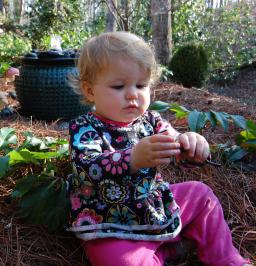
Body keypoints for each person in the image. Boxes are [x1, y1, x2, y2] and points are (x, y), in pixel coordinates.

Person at [67, 31, 251, 266]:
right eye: (118, 86)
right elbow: (86, 166)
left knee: (202, 195)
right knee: (120, 261)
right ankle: (165, 252)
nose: (133, 94)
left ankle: (226, 259)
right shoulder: (84, 127)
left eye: (141, 85)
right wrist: (132, 158)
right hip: (109, 222)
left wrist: (189, 143)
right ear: (90, 90)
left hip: (154, 205)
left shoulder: (151, 121)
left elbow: (174, 141)